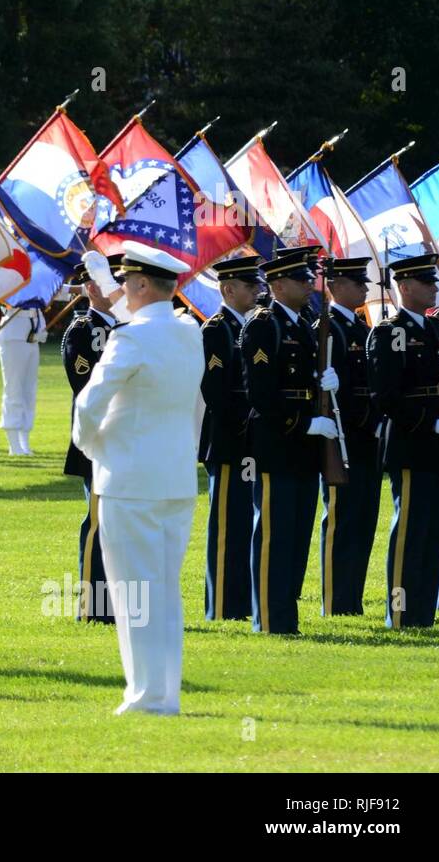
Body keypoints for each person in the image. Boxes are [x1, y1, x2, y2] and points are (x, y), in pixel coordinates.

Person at [72, 242, 203, 715]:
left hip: (130, 479)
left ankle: (148, 696)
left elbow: (88, 405)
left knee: (137, 593)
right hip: (175, 477)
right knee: (164, 589)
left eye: (127, 281)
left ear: (143, 285)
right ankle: (164, 691)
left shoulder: (132, 338)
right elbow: (197, 408)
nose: (122, 289)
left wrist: (94, 447)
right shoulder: (191, 333)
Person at [240, 246, 339, 635]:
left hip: (304, 447)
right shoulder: (264, 325)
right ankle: (268, 616)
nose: (309, 283)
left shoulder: (304, 323)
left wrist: (328, 385)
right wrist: (305, 423)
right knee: (274, 535)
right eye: (301, 278)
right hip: (278, 442)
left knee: (297, 536)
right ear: (278, 284)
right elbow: (261, 395)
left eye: (309, 277)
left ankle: (287, 616)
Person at [367, 253, 439, 629]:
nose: (435, 287)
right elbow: (387, 395)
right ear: (404, 287)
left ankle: (422, 614)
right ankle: (400, 612)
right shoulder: (389, 332)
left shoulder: (435, 330)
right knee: (410, 531)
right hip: (413, 442)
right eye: (426, 281)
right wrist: (430, 423)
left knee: (433, 532)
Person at [198, 254, 262, 621]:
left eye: (256, 285)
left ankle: (244, 601)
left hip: (251, 439)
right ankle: (222, 605)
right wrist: (248, 419)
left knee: (248, 524)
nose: (256, 291)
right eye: (249, 285)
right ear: (228, 289)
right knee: (227, 526)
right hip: (228, 440)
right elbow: (216, 392)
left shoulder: (251, 326)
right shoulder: (216, 330)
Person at [317, 256, 381, 616]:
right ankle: (335, 601)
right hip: (342, 441)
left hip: (367, 440)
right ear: (335, 285)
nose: (364, 288)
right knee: (342, 523)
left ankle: (351, 600)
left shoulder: (359, 328)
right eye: (357, 282)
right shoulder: (327, 329)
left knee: (363, 522)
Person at [61, 258, 119, 624]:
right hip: (99, 440)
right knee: (98, 523)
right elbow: (85, 387)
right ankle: (94, 607)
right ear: (92, 288)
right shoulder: (82, 329)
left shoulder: (130, 327)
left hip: (130, 439)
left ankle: (120, 603)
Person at [0, 303, 46, 455]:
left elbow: (51, 286)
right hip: (14, 329)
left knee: (28, 391)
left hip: (33, 329)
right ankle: (13, 443)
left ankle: (24, 440)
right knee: (14, 388)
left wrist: (80, 290)